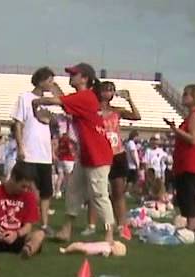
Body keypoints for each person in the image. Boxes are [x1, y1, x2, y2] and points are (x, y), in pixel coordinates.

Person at [33, 63, 114, 245]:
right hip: (88, 154)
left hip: (97, 155)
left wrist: (38, 101)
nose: (71, 76)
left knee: (99, 195)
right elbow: (64, 103)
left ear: (84, 78)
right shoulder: (83, 97)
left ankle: (109, 233)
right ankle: (66, 230)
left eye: (74, 74)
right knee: (73, 191)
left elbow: (58, 101)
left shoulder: (85, 96)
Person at [12, 67, 57, 229]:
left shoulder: (49, 102)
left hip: (44, 154)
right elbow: (18, 124)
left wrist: (52, 150)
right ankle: (26, 221)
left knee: (46, 191)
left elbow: (51, 126)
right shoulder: (25, 98)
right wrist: (20, 147)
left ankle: (44, 224)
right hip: (30, 152)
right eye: (50, 80)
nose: (52, 84)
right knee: (28, 189)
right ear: (40, 81)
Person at [98, 83, 141, 238]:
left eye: (111, 90)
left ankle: (122, 225)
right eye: (106, 90)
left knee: (118, 192)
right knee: (100, 193)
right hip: (100, 153)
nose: (109, 93)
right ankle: (106, 223)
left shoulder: (116, 111)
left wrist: (129, 100)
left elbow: (136, 116)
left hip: (117, 154)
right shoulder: (94, 111)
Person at [166, 84, 195, 240]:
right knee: (184, 194)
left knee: (189, 194)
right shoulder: (191, 115)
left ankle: (193, 227)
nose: (183, 96)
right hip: (185, 160)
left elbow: (193, 139)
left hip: (192, 161)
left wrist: (175, 130)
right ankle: (190, 225)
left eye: (187, 94)